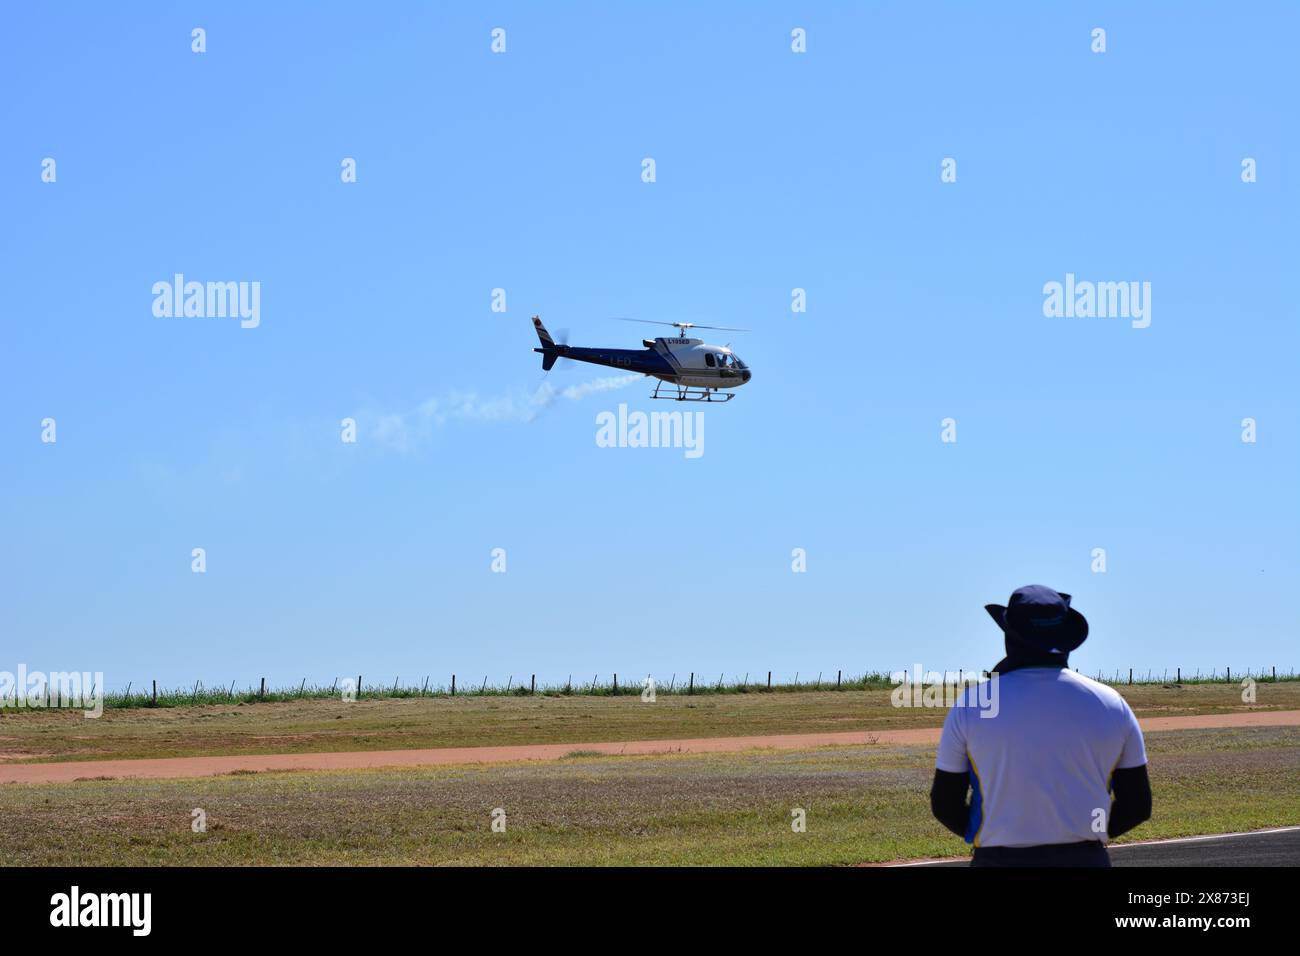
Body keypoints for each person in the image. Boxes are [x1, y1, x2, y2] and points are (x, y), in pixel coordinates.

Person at [930, 585, 1152, 866]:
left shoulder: (973, 705)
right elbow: (1137, 805)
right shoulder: (1111, 704)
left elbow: (945, 804)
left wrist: (991, 841)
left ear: (1010, 638)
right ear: (1067, 637)